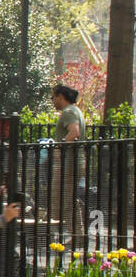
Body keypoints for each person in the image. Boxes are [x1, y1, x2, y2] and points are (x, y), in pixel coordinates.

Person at [50, 83, 86, 237]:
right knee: (67, 198)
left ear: (60, 97)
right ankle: (77, 234)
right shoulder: (76, 110)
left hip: (68, 162)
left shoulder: (68, 112)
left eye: (53, 97)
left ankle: (70, 234)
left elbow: (74, 132)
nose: (52, 101)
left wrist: (60, 147)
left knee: (60, 198)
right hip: (74, 161)